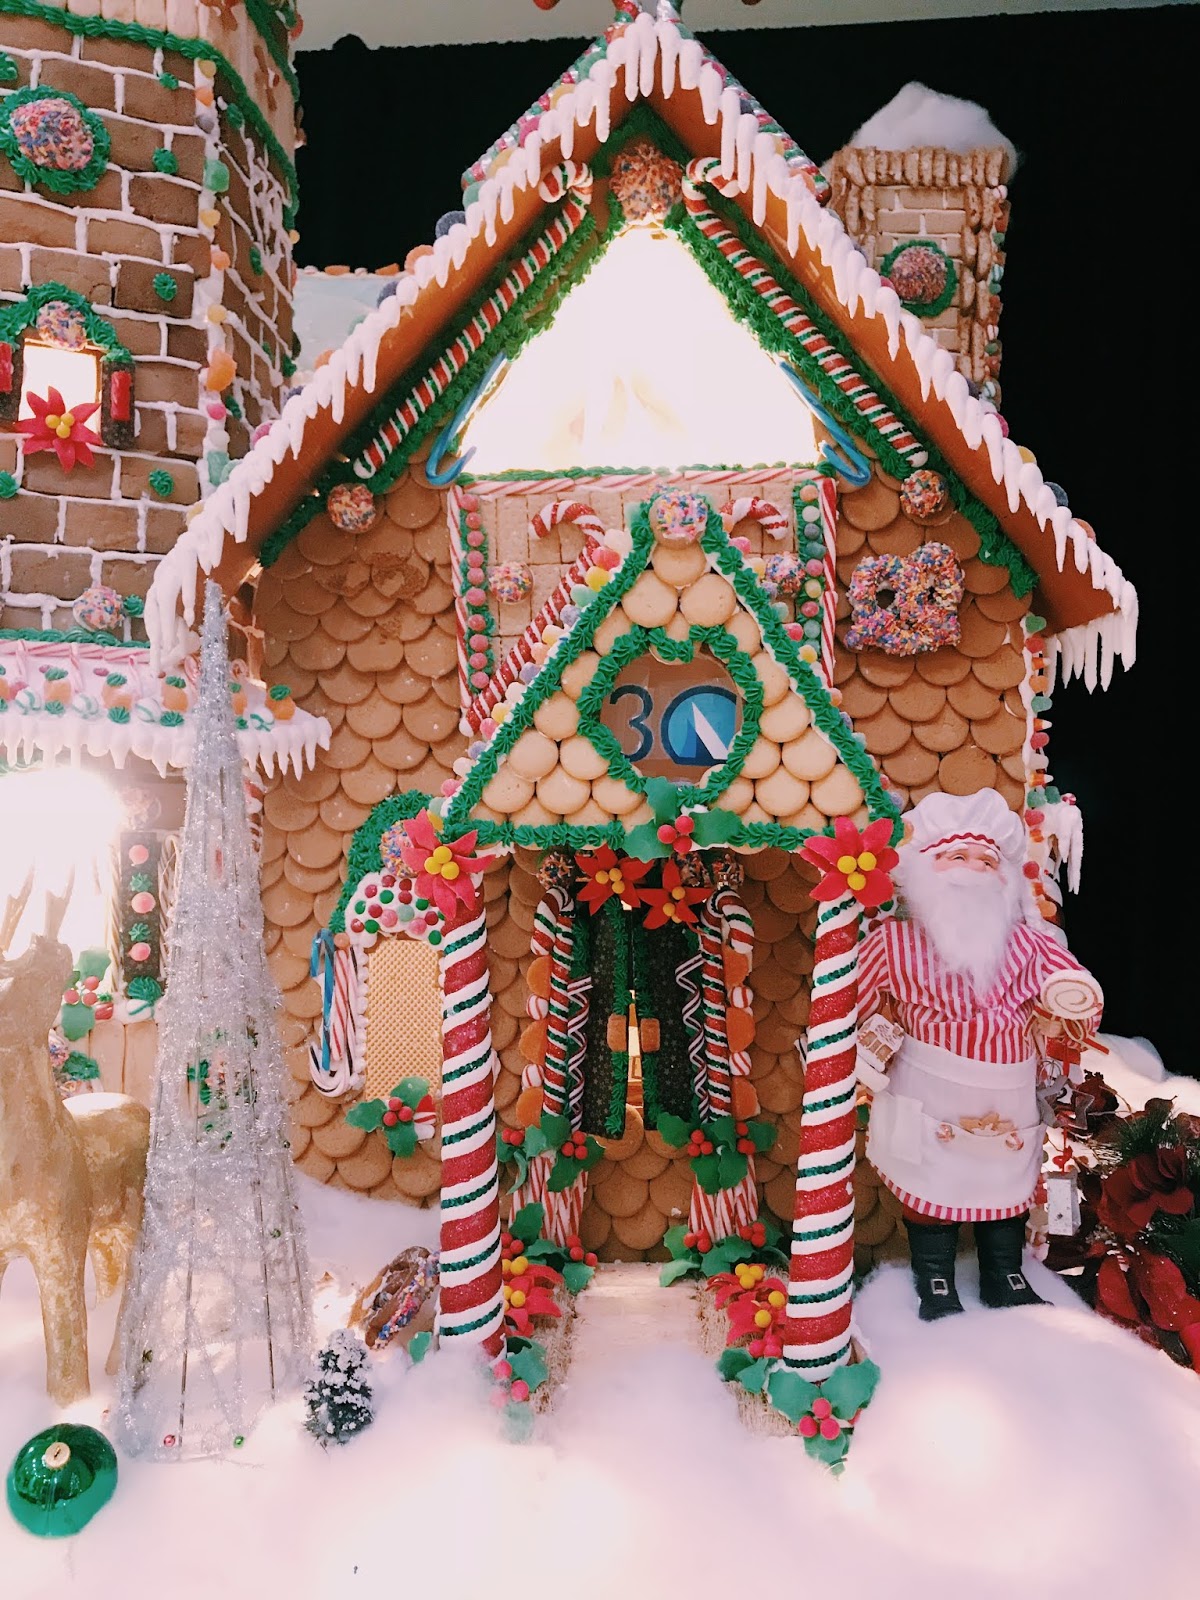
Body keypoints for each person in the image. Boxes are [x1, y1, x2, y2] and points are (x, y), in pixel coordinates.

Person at [856, 789, 1102, 1319]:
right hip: (928, 1085)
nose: (973, 869)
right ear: (925, 868)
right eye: (957, 857)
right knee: (928, 1181)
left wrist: (1073, 1002)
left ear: (1004, 878)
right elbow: (850, 999)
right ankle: (935, 1283)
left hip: (1008, 1089)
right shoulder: (892, 942)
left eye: (987, 860)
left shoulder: (1030, 943)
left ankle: (1004, 1275)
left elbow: (1073, 987)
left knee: (1006, 1183)